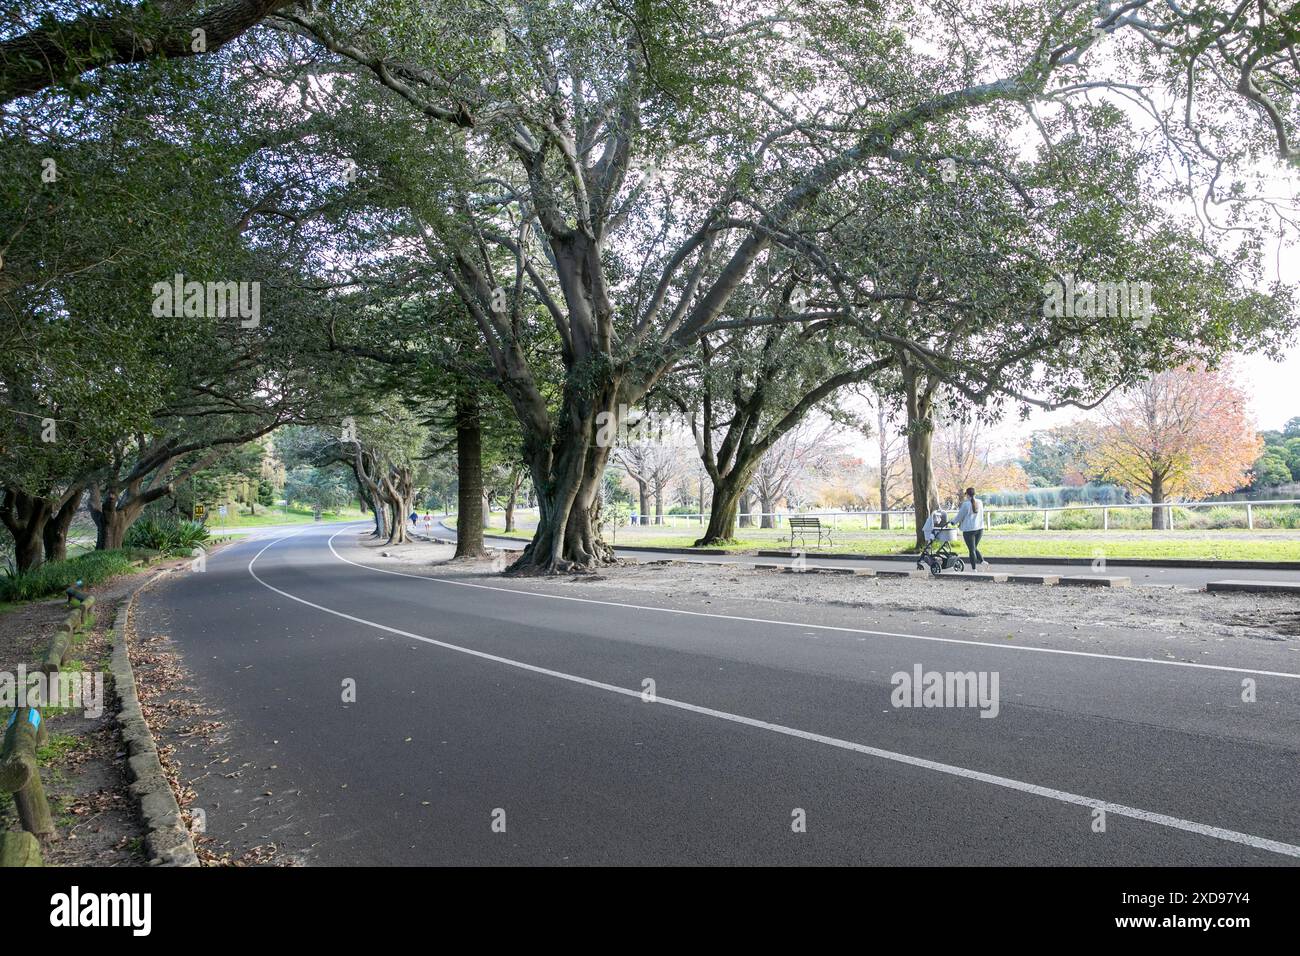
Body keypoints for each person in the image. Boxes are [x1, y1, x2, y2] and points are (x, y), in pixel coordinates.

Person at [955, 487, 984, 569]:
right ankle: (982, 561)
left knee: (971, 550)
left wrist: (953, 522)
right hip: (980, 529)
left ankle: (974, 569)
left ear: (967, 495)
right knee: (973, 548)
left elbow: (959, 516)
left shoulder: (966, 504)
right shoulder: (980, 502)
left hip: (969, 530)